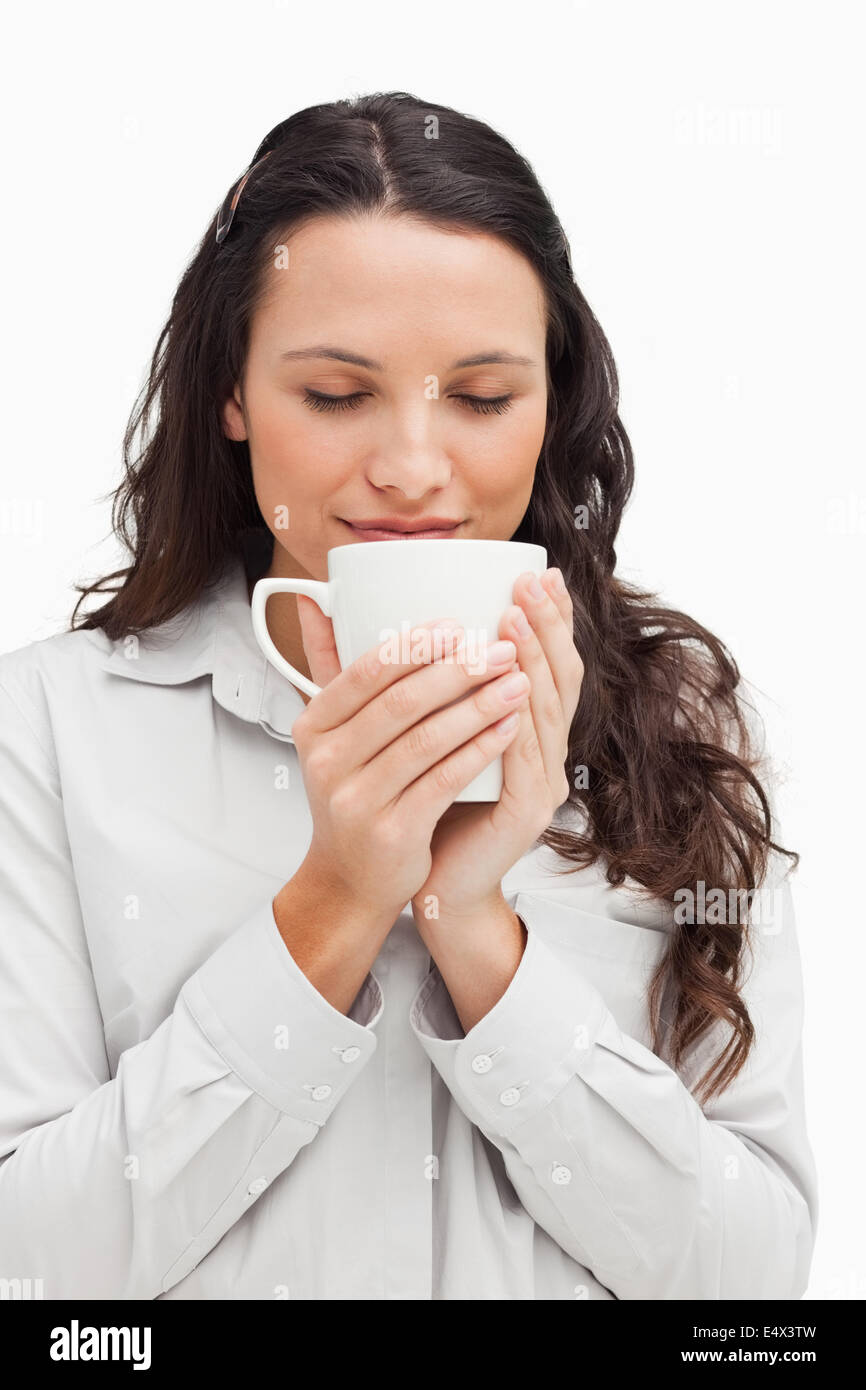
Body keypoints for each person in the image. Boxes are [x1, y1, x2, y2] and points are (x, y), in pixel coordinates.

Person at [0, 91, 817, 1301]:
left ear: (551, 404)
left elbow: (745, 1286)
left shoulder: (678, 722)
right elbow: (35, 1267)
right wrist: (334, 903)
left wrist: (476, 930)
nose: (413, 467)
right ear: (231, 394)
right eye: (334, 395)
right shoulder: (54, 729)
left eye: (482, 399)